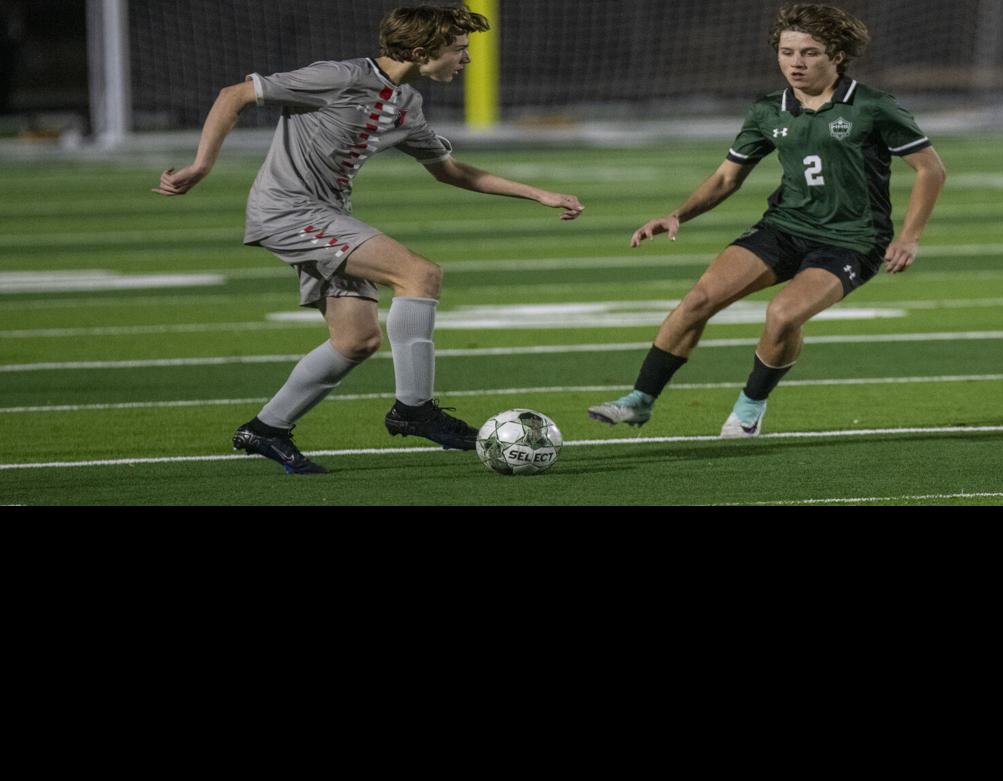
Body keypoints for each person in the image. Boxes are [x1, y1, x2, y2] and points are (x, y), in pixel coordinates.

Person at [154, 4, 583, 474]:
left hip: (326, 217)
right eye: (458, 50)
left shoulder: (407, 105)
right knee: (421, 274)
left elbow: (451, 171)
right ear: (421, 52)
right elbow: (233, 94)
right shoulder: (337, 77)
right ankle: (414, 410)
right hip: (287, 211)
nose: (466, 60)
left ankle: (266, 428)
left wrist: (538, 193)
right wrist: (200, 166)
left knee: (356, 339)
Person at [587, 3, 947, 437]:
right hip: (784, 228)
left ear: (836, 56)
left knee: (782, 317)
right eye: (787, 51)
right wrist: (677, 214)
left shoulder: (872, 107)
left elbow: (931, 169)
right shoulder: (767, 112)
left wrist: (909, 238)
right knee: (698, 301)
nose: (796, 63)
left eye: (810, 53)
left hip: (853, 240)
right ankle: (639, 401)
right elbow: (725, 178)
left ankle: (749, 408)